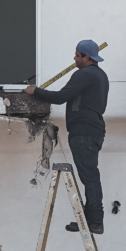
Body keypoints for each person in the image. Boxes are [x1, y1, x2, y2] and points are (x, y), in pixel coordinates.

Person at [24, 40, 108, 234]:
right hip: (93, 130)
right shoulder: (101, 75)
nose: (74, 58)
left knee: (89, 177)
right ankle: (89, 219)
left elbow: (61, 97)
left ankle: (95, 221)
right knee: (89, 175)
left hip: (84, 131)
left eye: (77, 55)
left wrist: (34, 91)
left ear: (86, 57)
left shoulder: (84, 74)